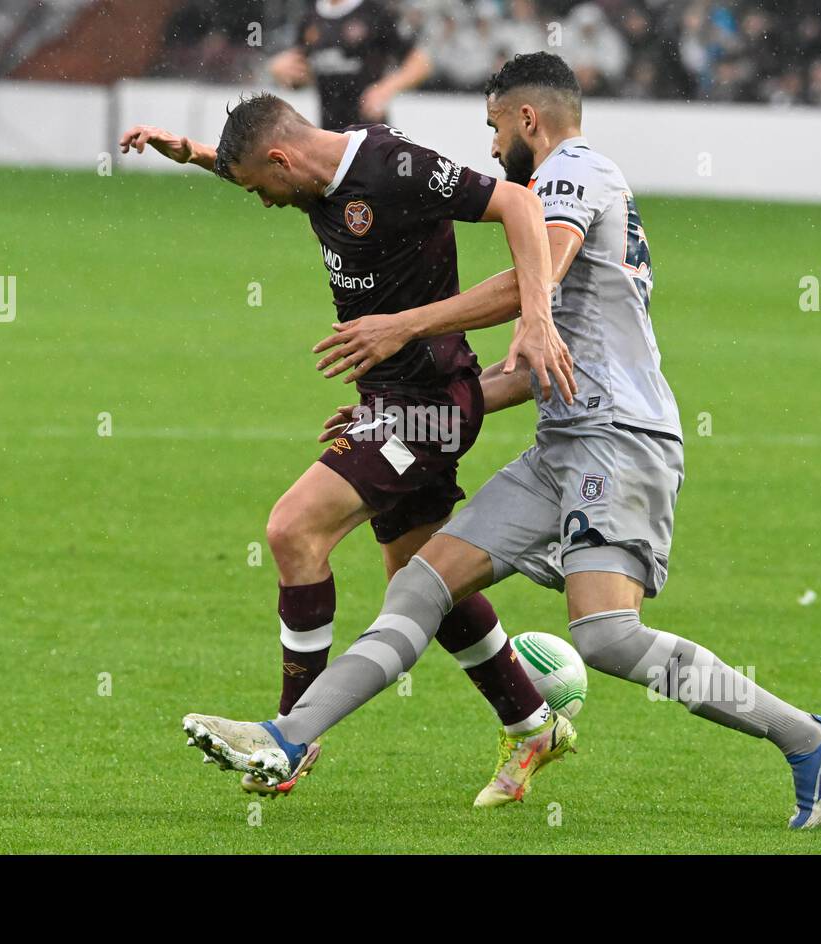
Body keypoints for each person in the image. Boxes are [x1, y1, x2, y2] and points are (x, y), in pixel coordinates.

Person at [183, 53, 821, 828]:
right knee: (421, 586)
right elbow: (527, 365)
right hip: (563, 441)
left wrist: (403, 326)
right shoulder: (562, 182)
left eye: (494, 126)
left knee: (607, 637)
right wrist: (398, 415)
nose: (491, 143)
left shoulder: (572, 174)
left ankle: (808, 737)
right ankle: (287, 737)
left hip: (617, 436)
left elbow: (524, 288)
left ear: (526, 119)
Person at [119, 92, 580, 803]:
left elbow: (519, 204)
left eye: (259, 187)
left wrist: (536, 319)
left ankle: (288, 738)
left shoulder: (395, 167)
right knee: (424, 581)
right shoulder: (317, 178)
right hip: (388, 405)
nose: (264, 202)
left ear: (282, 160)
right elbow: (271, 168)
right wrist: (194, 155)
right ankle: (531, 721)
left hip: (428, 408)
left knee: (293, 528)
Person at [269, 0, 432, 130]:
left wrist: (386, 88)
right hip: (330, 135)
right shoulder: (310, 17)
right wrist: (279, 70)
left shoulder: (376, 11)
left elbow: (421, 63)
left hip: (373, 134)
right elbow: (299, 75)